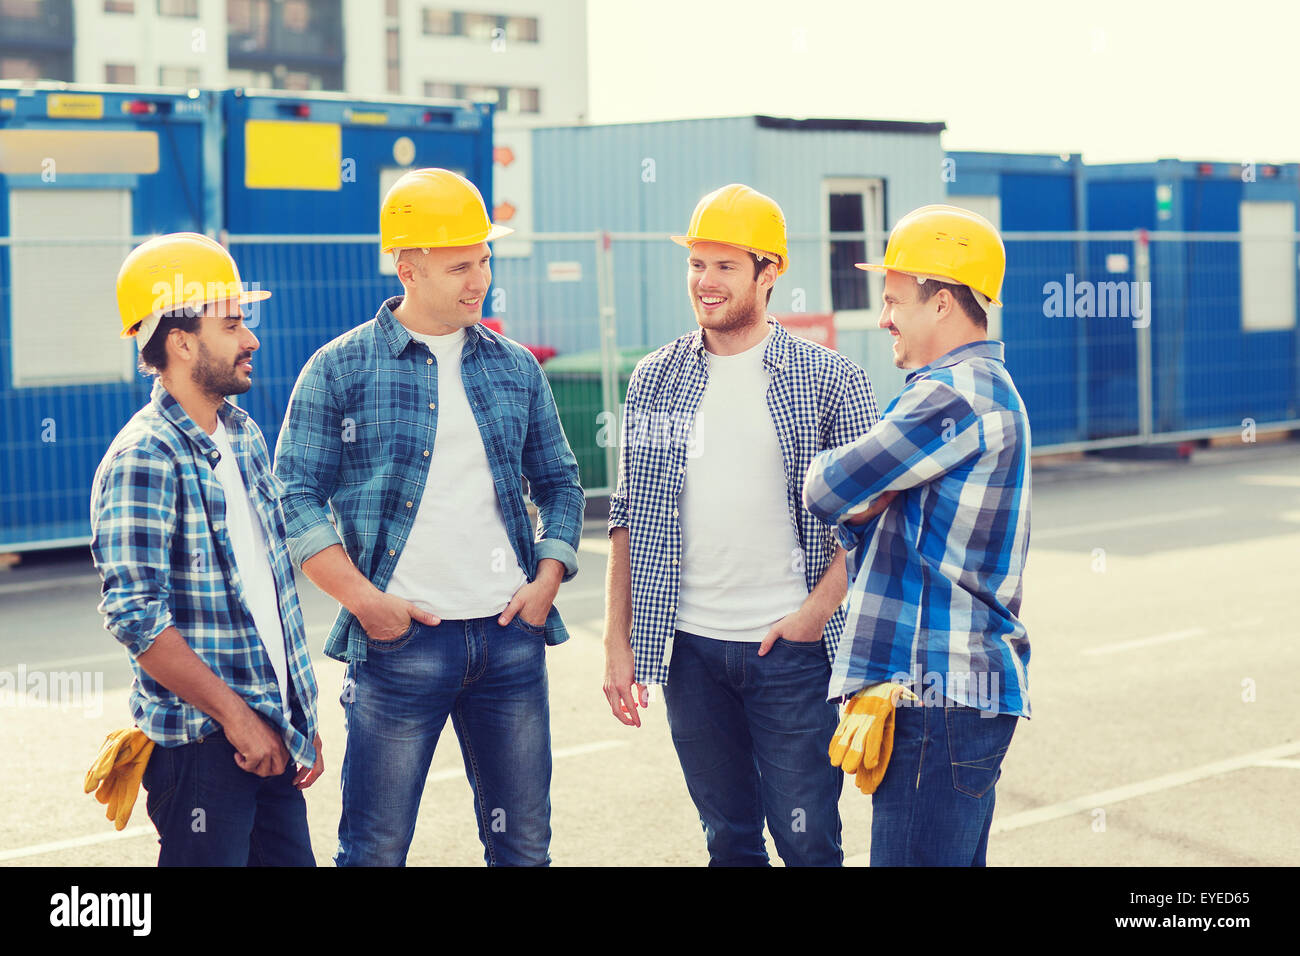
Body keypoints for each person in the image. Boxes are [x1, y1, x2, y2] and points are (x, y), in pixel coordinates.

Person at [274, 168, 584, 867]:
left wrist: (548, 578)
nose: (480, 281)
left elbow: (562, 481)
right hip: (398, 646)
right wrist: (366, 603)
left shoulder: (514, 368)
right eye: (459, 267)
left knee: (525, 847)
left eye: (484, 261)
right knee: (374, 852)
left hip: (511, 640)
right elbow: (292, 495)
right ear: (406, 268)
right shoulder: (339, 369)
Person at [603, 184, 880, 866]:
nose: (705, 281)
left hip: (789, 652)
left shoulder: (830, 381)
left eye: (725, 266)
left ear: (769, 271)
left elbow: (870, 524)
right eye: (697, 264)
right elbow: (629, 515)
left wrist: (813, 615)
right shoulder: (654, 379)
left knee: (807, 840)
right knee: (727, 841)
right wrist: (617, 639)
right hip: (689, 652)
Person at [802, 204, 1031, 867]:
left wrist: (862, 493)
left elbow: (826, 488)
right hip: (959, 696)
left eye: (894, 299)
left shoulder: (951, 398)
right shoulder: (977, 390)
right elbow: (862, 501)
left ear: (943, 303)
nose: (883, 319)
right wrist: (872, 496)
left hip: (937, 700)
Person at [90, 232, 323, 867]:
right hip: (202, 750)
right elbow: (136, 617)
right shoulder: (145, 457)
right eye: (232, 322)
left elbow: (268, 592)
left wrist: (296, 719)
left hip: (268, 733)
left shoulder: (242, 434)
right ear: (182, 341)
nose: (251, 338)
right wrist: (237, 718)